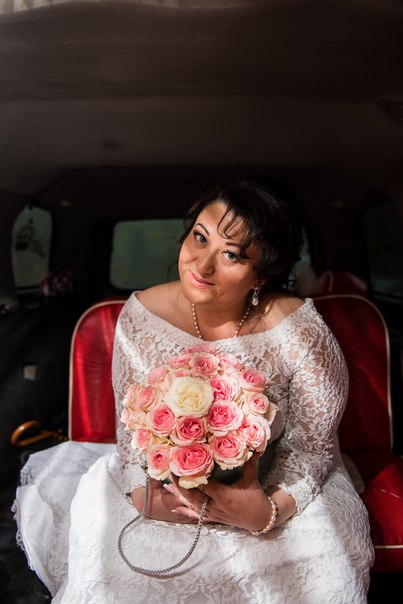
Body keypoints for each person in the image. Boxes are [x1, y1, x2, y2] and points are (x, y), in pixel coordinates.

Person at [13, 177, 374, 603]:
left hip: (273, 485)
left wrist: (267, 511)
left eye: (232, 254)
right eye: (200, 238)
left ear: (265, 272)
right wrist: (147, 498)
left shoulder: (300, 332)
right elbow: (131, 437)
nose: (201, 266)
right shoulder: (141, 315)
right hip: (165, 487)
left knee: (318, 573)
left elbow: (310, 451)